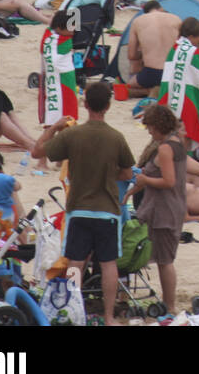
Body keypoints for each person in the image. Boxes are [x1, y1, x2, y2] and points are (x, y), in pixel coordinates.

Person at [33, 82, 135, 325]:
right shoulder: (116, 138)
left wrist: (55, 126)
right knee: (109, 264)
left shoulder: (72, 134)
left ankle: (73, 312)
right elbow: (128, 173)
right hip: (107, 210)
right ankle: (109, 317)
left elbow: (38, 151)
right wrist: (109, 175)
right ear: (108, 106)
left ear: (86, 104)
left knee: (75, 263)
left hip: (78, 208)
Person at [126, 103, 187, 314]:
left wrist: (144, 179)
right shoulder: (176, 142)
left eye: (150, 127)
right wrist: (130, 192)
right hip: (171, 207)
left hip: (165, 209)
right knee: (164, 258)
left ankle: (170, 306)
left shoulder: (165, 148)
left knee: (165, 260)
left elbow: (168, 181)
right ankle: (168, 304)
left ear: (158, 125)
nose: (149, 131)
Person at [124, 0, 182, 98]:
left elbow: (131, 55)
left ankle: (148, 91)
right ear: (161, 8)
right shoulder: (176, 19)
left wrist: (144, 53)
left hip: (151, 74)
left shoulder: (138, 21)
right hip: (173, 72)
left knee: (127, 87)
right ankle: (162, 90)